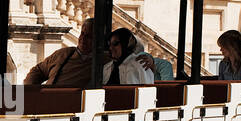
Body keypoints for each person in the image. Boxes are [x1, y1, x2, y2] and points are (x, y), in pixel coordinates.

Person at [25, 18, 153, 87]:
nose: (83, 38)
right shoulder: (63, 53)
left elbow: (133, 50)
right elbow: (38, 71)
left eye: (89, 36)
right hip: (48, 102)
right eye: (82, 33)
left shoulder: (106, 59)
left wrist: (150, 60)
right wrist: (31, 92)